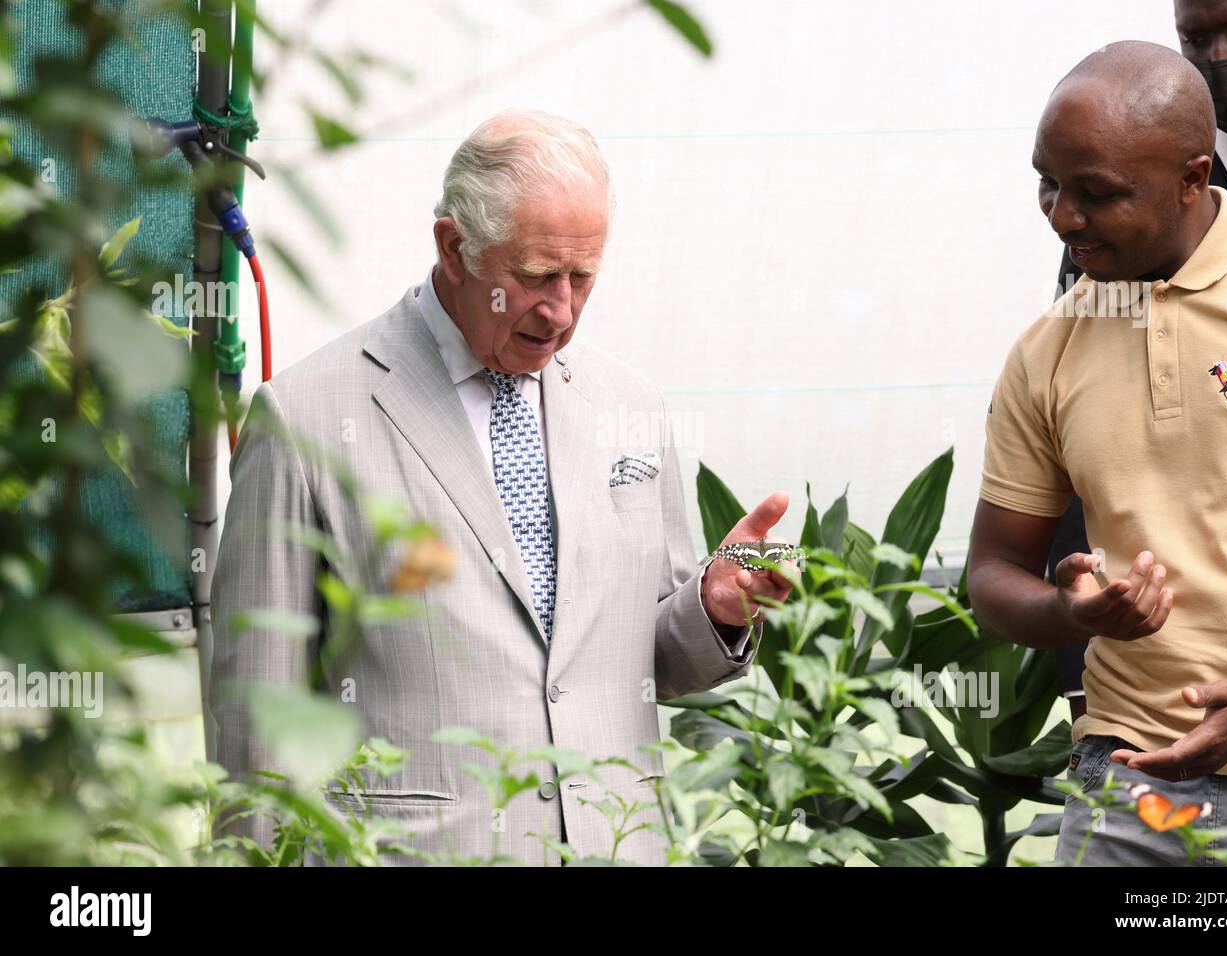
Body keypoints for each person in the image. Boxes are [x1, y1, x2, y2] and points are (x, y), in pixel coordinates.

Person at [207, 110, 794, 865]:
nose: (561, 311)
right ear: (454, 248)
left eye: (583, 278)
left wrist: (713, 607)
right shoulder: (305, 419)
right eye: (534, 276)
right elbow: (257, 717)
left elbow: (629, 666)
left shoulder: (631, 408)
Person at [970, 41, 1227, 865]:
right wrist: (1067, 613)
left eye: (1097, 194)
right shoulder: (1047, 349)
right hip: (1127, 791)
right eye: (1048, 182)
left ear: (1195, 179)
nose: (1060, 217)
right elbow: (993, 571)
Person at [1049, 0, 1227, 727]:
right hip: (1166, 697)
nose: (1220, 58)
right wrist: (1080, 664)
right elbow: (1084, 439)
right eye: (1195, 38)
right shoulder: (1127, 192)